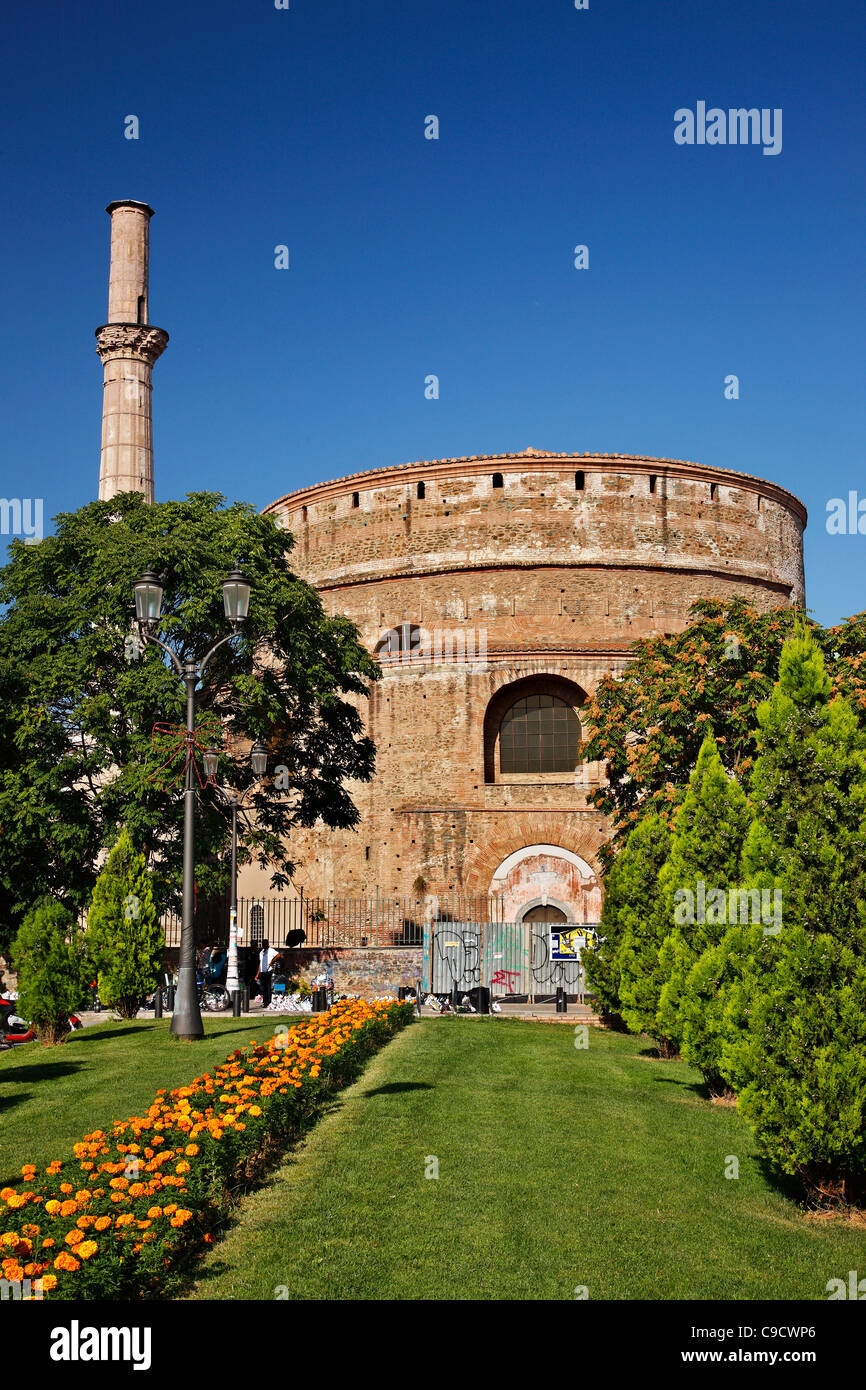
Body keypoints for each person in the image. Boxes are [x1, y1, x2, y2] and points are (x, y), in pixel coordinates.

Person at [257, 939, 278, 1007]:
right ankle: (265, 1002)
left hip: (268, 971)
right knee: (263, 988)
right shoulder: (261, 952)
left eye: (265, 944)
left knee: (268, 987)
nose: (264, 946)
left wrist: (272, 962)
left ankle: (268, 1002)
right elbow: (260, 963)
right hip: (262, 971)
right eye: (263, 944)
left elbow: (278, 955)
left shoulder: (271, 950)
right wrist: (258, 974)